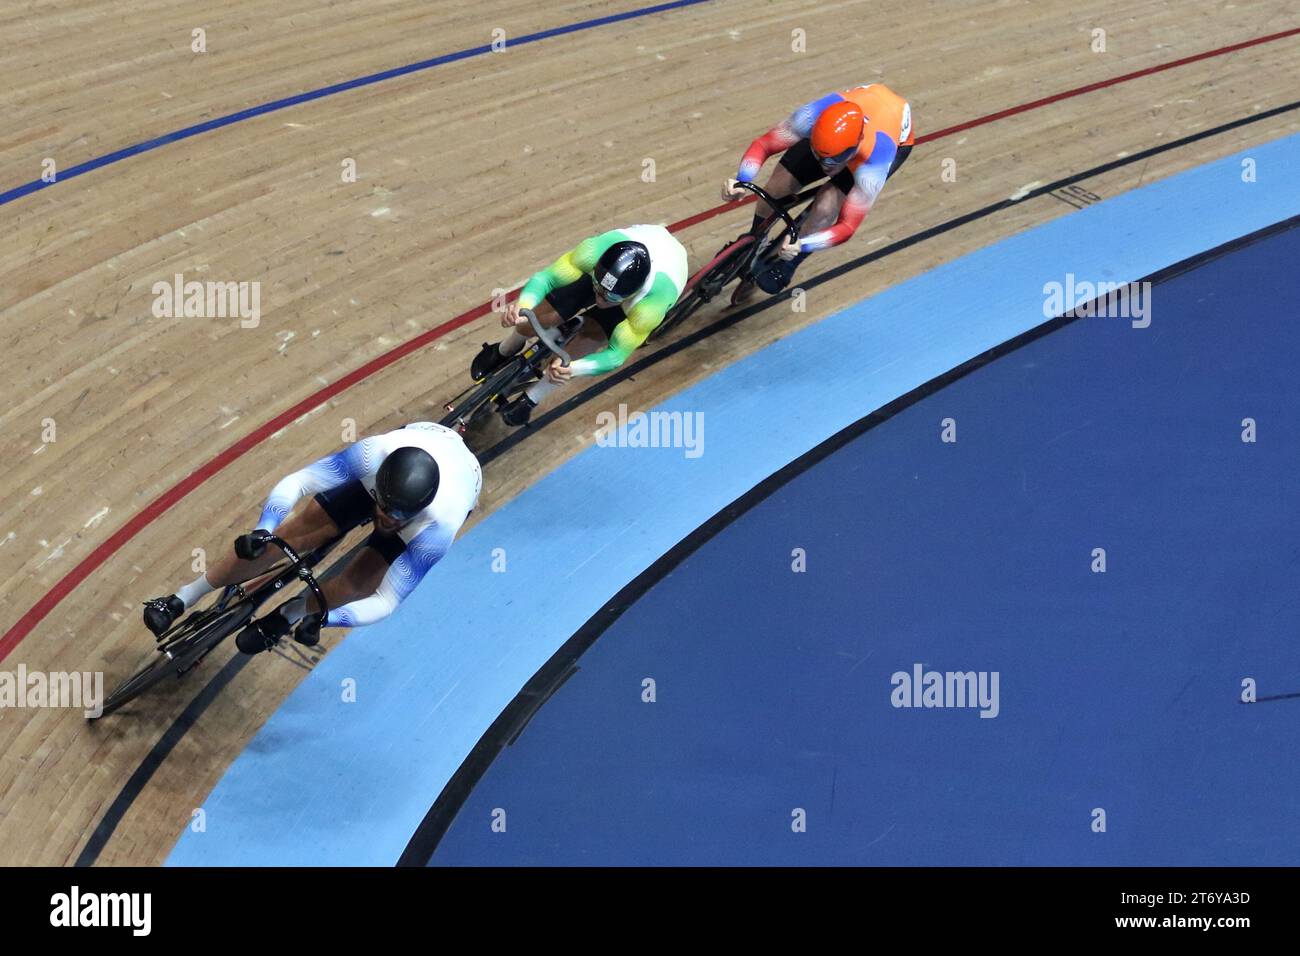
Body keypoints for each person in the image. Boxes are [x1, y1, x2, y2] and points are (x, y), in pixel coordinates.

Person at [141, 422, 481, 653]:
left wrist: (323, 618)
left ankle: (288, 613)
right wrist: (264, 529)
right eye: (384, 507)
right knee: (291, 535)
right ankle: (183, 597)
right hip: (414, 442)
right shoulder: (373, 455)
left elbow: (387, 601)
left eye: (397, 517)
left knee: (359, 581)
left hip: (460, 483)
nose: (386, 519)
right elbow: (299, 482)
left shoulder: (438, 528)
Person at [469, 224, 689, 425]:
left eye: (609, 298)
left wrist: (574, 368)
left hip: (656, 286)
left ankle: (532, 398)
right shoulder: (592, 252)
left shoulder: (649, 306)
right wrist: (523, 305)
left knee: (585, 342)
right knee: (539, 317)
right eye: (598, 290)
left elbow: (616, 356)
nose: (600, 299)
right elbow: (545, 279)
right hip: (621, 266)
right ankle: (506, 348)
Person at [721, 83, 914, 295]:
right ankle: (754, 239)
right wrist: (742, 179)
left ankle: (790, 263)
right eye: (820, 156)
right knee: (777, 187)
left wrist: (802, 245)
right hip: (839, 136)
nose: (825, 166)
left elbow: (847, 227)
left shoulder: (876, 158)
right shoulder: (811, 116)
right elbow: (764, 144)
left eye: (833, 160)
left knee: (825, 206)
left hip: (889, 141)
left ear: (855, 144)